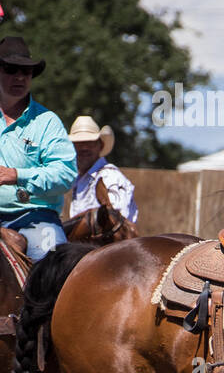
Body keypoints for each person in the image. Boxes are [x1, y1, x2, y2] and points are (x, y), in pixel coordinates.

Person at [0, 36, 76, 260]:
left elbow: (65, 174)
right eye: (11, 69)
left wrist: (17, 175)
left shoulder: (47, 121)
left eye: (27, 72)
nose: (20, 77)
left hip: (37, 218)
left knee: (52, 265)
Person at [67, 117, 138, 222]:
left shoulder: (110, 176)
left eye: (90, 142)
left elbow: (116, 225)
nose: (84, 148)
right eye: (79, 143)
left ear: (101, 145)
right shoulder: (79, 180)